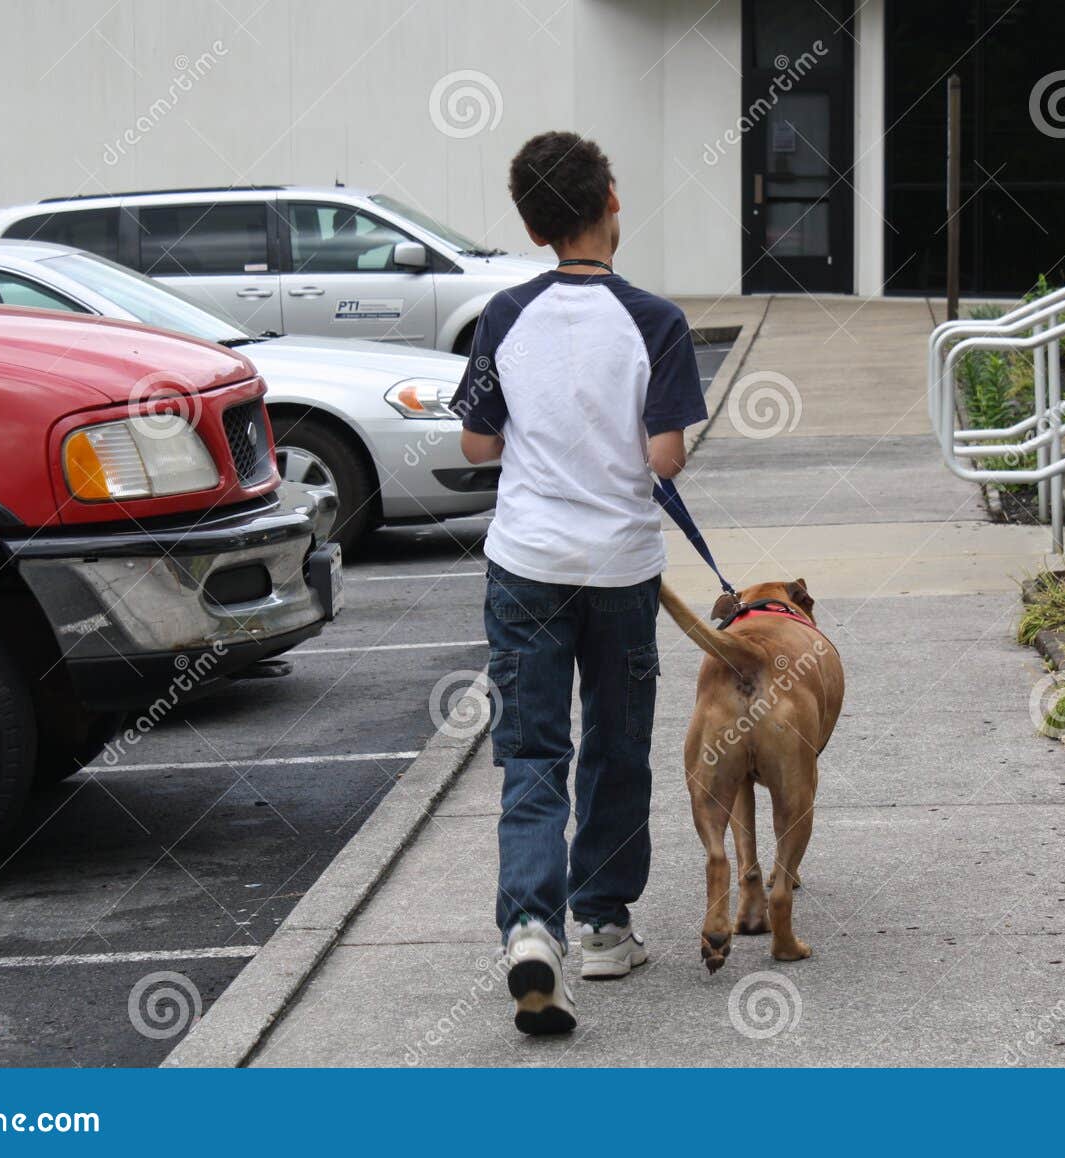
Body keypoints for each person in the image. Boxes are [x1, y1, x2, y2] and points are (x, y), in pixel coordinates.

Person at [453, 130, 707, 1035]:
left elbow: (477, 444)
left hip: (525, 564)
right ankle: (603, 924)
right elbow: (664, 456)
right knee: (616, 744)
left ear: (531, 226)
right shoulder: (658, 321)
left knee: (532, 756)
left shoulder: (502, 318)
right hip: (622, 570)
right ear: (612, 201)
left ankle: (530, 924)